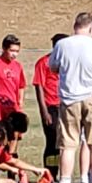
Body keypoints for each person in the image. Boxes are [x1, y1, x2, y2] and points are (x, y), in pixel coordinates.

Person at [50, 12, 92, 183]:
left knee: (68, 145)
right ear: (91, 28)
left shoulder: (62, 45)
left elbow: (53, 67)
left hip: (69, 99)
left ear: (74, 26)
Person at [32, 34, 65, 171]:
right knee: (52, 140)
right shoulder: (43, 62)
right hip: (50, 106)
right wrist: (44, 111)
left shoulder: (68, 61)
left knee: (63, 142)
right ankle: (50, 173)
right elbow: (39, 86)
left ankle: (60, 172)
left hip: (65, 105)